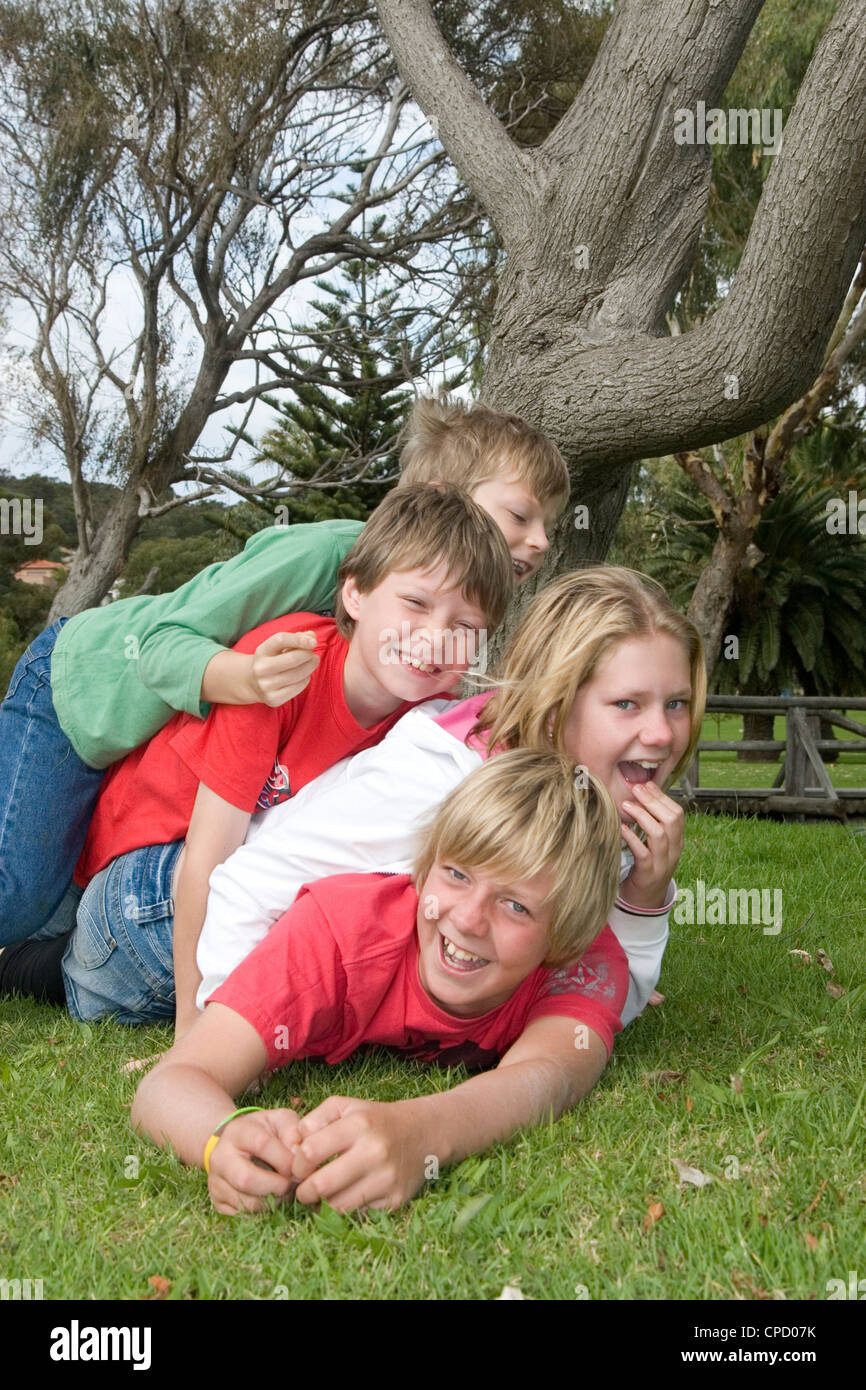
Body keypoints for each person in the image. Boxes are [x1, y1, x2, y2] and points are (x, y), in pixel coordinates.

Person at [0, 394, 567, 940]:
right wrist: (246, 679)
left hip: (154, 752)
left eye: (548, 524)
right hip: (82, 688)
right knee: (18, 896)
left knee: (59, 902)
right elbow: (158, 645)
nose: (540, 541)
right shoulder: (325, 556)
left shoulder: (439, 632)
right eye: (521, 514)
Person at [0, 485, 514, 1035]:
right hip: (119, 863)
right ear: (355, 595)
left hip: (156, 882)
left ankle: (49, 968)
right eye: (415, 603)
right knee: (22, 904)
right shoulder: (283, 667)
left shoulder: (422, 729)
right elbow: (207, 862)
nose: (435, 638)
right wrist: (192, 1037)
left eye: (464, 627)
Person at [130, 750, 628, 1215]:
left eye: (516, 905)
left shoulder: (583, 962)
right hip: (138, 919)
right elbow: (171, 1080)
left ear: (565, 936)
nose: (469, 919)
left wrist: (422, 1133)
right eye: (456, 874)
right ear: (425, 867)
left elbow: (549, 1078)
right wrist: (220, 1137)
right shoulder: (339, 933)